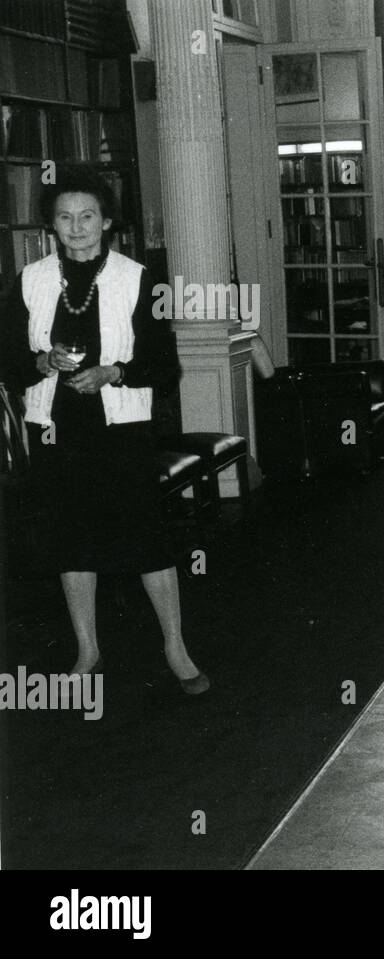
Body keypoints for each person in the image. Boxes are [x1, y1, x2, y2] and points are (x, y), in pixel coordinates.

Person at [0, 166, 209, 695]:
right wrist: (43, 361)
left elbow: (164, 369)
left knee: (146, 540)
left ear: (107, 221)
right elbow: (7, 362)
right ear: (52, 225)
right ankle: (87, 649)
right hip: (54, 432)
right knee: (71, 543)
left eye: (87, 216)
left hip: (121, 430)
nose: (76, 227)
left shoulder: (139, 279)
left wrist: (114, 373)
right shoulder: (30, 280)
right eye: (65, 218)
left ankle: (175, 647)